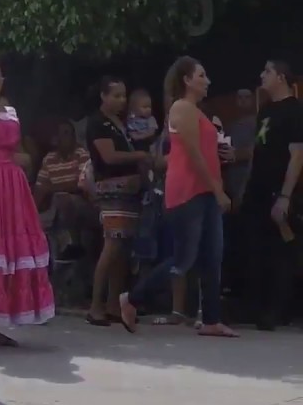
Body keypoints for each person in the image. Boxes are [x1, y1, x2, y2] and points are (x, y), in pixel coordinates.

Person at [120, 57, 235, 337]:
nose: (207, 81)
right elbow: (193, 155)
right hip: (189, 191)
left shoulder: (197, 112)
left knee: (212, 257)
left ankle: (211, 319)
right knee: (183, 259)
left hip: (206, 190)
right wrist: (218, 190)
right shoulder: (181, 108)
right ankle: (132, 298)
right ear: (186, 80)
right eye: (201, 75)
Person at [0, 64, 55, 346]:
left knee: (8, 251)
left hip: (11, 185)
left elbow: (17, 148)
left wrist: (23, 159)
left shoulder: (10, 109)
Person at [85, 76, 150, 325]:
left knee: (122, 249)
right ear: (103, 96)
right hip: (112, 190)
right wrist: (140, 155)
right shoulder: (97, 123)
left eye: (124, 96)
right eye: (116, 95)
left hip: (129, 192)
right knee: (111, 245)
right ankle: (95, 305)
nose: (121, 100)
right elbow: (109, 157)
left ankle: (113, 303)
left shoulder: (121, 122)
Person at [243, 59, 303, 330]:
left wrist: (285, 196)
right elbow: (258, 151)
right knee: (256, 250)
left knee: (281, 251)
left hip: (279, 190)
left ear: (281, 77)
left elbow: (297, 155)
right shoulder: (265, 110)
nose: (262, 75)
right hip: (256, 189)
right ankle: (255, 307)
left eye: (267, 71)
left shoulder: (295, 110)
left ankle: (278, 310)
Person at [35, 120, 95, 261]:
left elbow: (80, 185)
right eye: (65, 134)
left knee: (62, 199)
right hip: (55, 206)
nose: (70, 138)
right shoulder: (49, 159)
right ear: (55, 139)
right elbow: (40, 188)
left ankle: (74, 244)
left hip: (85, 203)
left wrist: (52, 189)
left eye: (71, 134)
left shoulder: (82, 154)